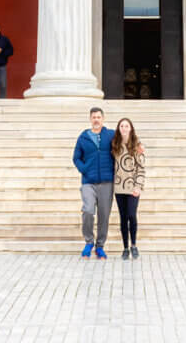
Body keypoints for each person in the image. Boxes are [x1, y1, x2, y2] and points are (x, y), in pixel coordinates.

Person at [72, 107, 115, 259]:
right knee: (88, 210)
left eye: (98, 117)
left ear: (103, 119)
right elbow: (76, 157)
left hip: (107, 181)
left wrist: (138, 146)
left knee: (104, 215)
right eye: (94, 117)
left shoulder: (110, 135)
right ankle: (89, 242)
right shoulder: (83, 137)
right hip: (88, 182)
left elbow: (124, 144)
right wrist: (85, 169)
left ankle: (100, 246)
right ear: (90, 119)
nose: (96, 119)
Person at [112, 117, 146, 260]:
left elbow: (141, 168)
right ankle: (125, 248)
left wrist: (138, 186)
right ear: (119, 129)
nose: (124, 128)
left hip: (132, 187)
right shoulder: (115, 145)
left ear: (131, 128)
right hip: (119, 187)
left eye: (126, 126)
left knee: (132, 215)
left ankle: (134, 245)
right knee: (123, 217)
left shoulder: (137, 145)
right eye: (121, 126)